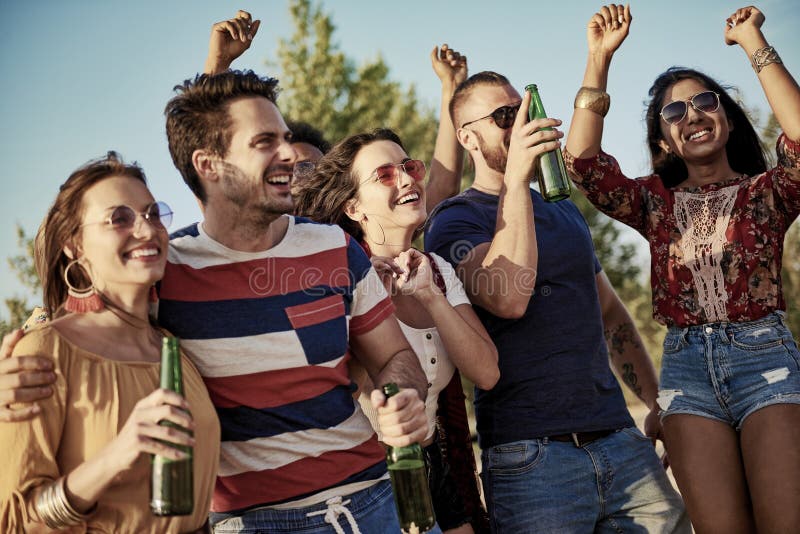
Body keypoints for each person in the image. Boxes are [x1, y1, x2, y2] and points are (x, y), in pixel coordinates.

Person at [564, 5, 800, 532]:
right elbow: (581, 162)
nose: (691, 115)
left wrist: (753, 44)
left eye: (704, 102)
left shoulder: (771, 192)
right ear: (664, 140)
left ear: (727, 117)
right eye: (675, 113)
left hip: (767, 363)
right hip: (686, 372)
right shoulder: (653, 202)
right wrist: (598, 58)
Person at [424, 70, 690, 532]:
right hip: (533, 458)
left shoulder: (562, 206)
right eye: (505, 116)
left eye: (523, 110)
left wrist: (653, 403)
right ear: (467, 136)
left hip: (621, 444)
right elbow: (507, 298)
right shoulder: (454, 219)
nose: (522, 123)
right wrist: (517, 179)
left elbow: (608, 313)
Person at [0, 152, 220, 532]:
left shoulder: (173, 347)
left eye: (153, 214)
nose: (147, 230)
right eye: (119, 218)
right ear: (74, 245)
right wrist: (116, 455)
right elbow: (14, 521)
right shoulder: (42, 353)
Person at [294, 127, 499, 534]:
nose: (406, 179)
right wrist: (366, 305)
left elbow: (488, 372)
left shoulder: (436, 270)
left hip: (431, 463)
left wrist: (430, 297)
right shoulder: (336, 278)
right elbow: (324, 393)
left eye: (409, 167)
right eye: (385, 174)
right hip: (362, 481)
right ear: (354, 207)